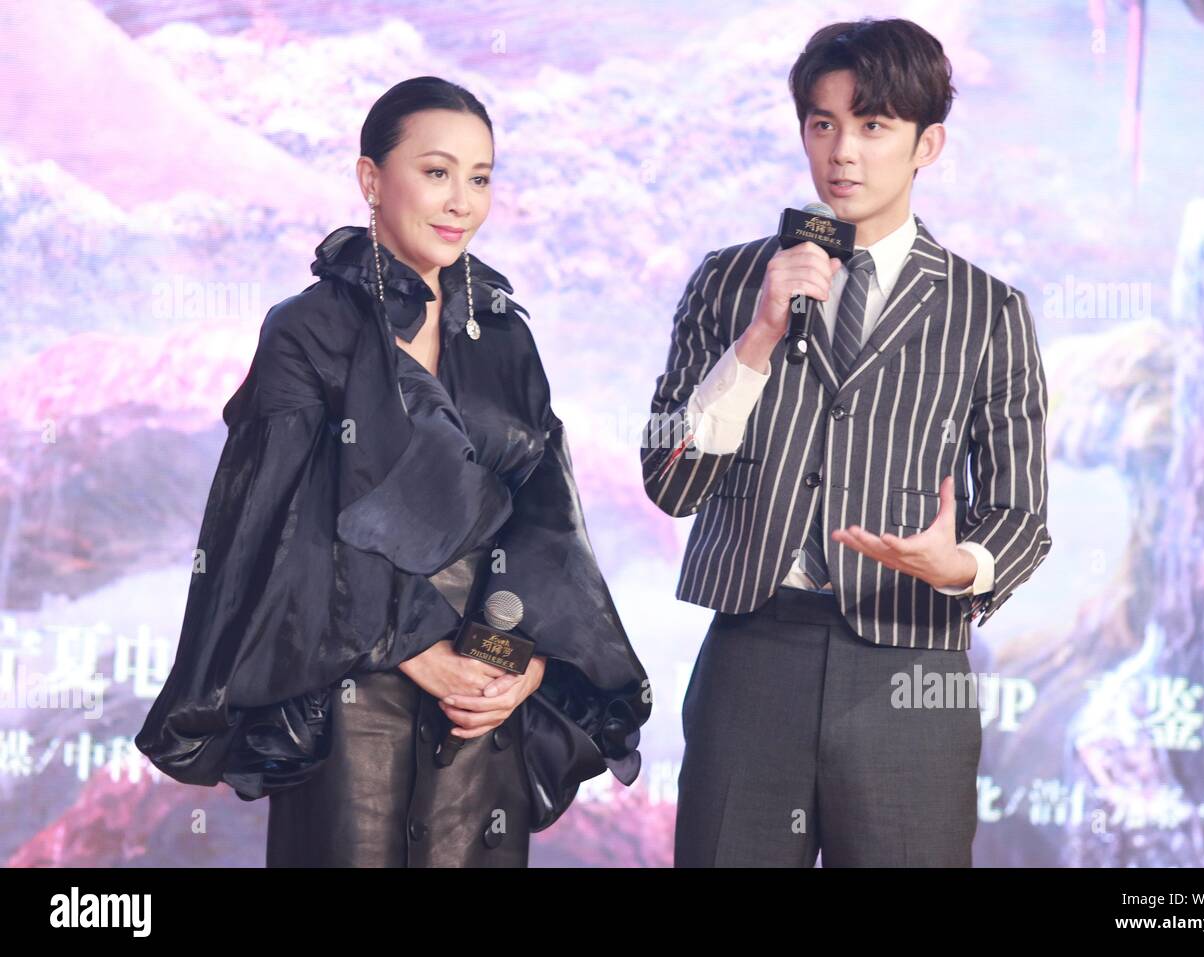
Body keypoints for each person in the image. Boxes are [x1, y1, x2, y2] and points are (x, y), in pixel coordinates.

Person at [136, 76, 649, 867]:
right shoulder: (309, 330)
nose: (461, 202)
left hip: (483, 699)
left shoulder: (507, 334)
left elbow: (550, 524)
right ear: (371, 179)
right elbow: (278, 530)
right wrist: (415, 651)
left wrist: (525, 664)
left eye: (480, 178)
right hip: (350, 696)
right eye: (437, 172)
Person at [641, 18, 1051, 866]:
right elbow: (669, 477)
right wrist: (755, 337)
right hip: (753, 652)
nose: (844, 153)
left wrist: (959, 564)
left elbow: (1021, 510)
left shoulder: (988, 310)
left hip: (911, 664)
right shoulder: (728, 278)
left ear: (926, 143)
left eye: (873, 126)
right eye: (823, 124)